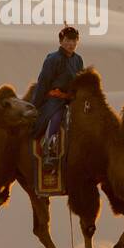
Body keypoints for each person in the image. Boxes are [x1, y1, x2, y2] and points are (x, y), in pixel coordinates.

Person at [32, 25, 84, 166]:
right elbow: (43, 82)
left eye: (74, 41)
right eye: (67, 40)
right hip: (55, 99)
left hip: (72, 99)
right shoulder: (53, 59)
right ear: (61, 41)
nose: (71, 44)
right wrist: (35, 105)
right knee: (56, 116)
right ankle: (49, 149)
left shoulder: (78, 60)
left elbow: (80, 82)